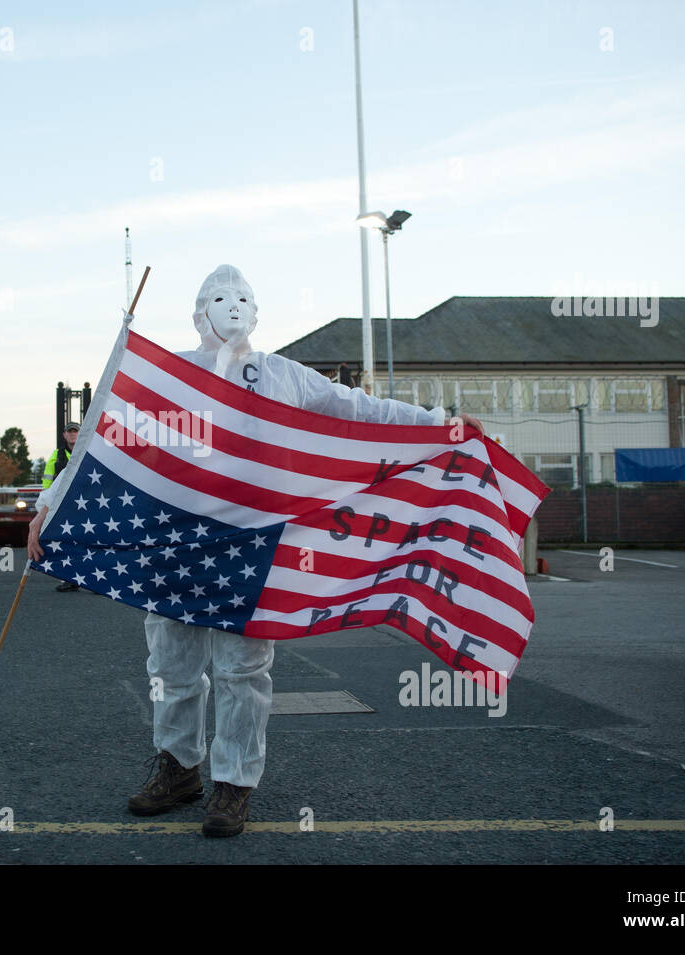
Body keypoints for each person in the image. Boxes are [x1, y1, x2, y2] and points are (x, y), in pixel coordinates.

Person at [28, 265, 487, 837]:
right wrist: (53, 500)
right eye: (219, 298)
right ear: (200, 310)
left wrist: (440, 425)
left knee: (242, 670)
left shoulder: (283, 377)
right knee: (172, 667)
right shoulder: (169, 380)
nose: (231, 307)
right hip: (176, 545)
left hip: (252, 547)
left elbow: (357, 408)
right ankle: (179, 768)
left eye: (240, 297)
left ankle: (235, 782)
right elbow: (104, 440)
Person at [43, 423, 81, 592]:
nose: (72, 434)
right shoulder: (56, 456)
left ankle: (94, 582)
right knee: (66, 543)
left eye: (76, 431)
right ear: (64, 435)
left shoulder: (87, 452)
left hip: (85, 504)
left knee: (89, 542)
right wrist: (46, 506)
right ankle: (69, 579)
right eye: (70, 431)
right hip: (64, 506)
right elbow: (47, 482)